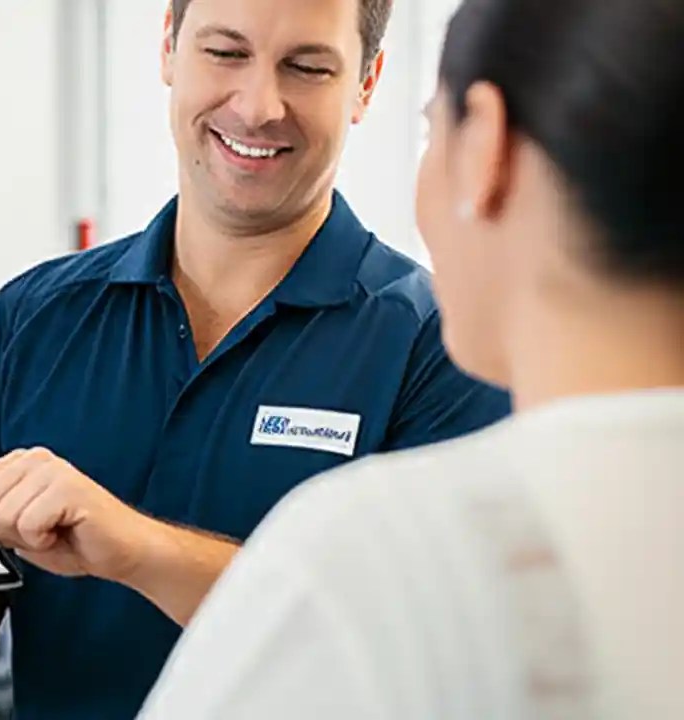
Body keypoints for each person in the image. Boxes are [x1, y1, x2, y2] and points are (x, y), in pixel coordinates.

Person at [0, 0, 511, 717]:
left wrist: (136, 549)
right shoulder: (32, 322)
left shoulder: (443, 345)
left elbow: (430, 651)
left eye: (306, 68)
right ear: (168, 48)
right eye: (225, 53)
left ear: (366, 85)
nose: (257, 106)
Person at [136, 0, 684, 717]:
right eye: (226, 54)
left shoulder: (374, 554)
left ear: (483, 146)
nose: (259, 104)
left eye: (433, 128)